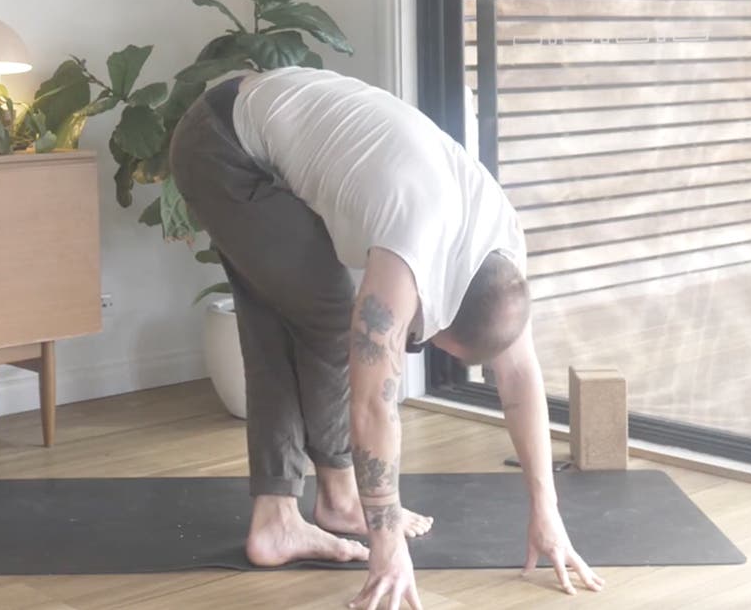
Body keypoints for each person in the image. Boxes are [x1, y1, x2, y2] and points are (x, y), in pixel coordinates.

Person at [169, 67, 604, 608]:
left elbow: (519, 376)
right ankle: (329, 505)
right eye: (432, 345)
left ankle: (282, 516)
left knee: (283, 310)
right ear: (438, 318)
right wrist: (388, 544)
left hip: (256, 110)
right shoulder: (410, 245)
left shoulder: (501, 251)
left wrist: (547, 513)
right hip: (220, 144)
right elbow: (372, 403)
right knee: (328, 316)